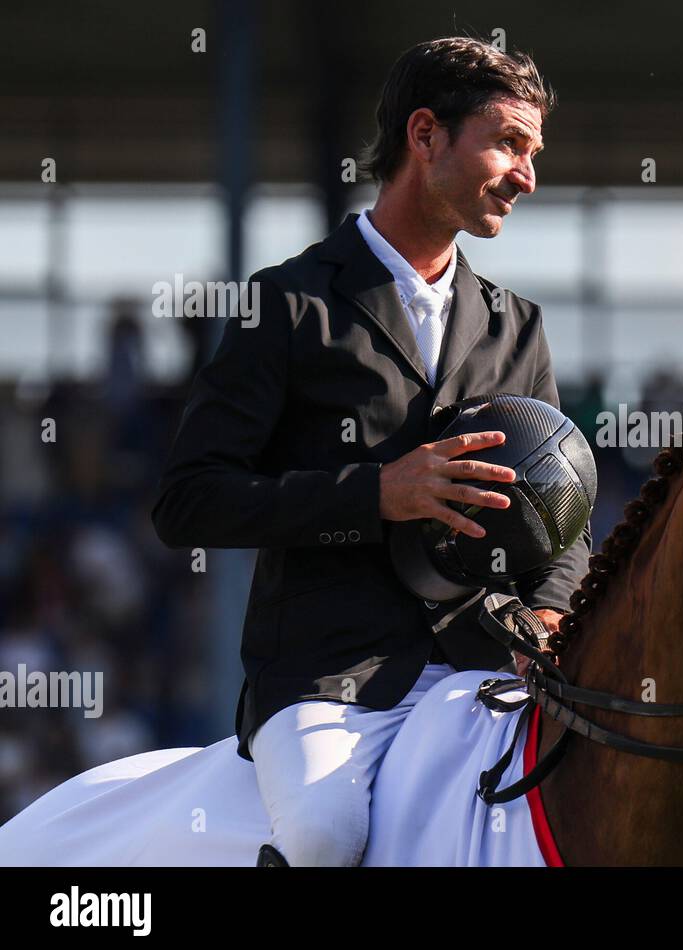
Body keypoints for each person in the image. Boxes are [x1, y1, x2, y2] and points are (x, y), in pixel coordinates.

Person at [150, 37, 588, 866]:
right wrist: (375, 494)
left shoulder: (518, 325)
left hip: (484, 667)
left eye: (534, 153)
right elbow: (187, 500)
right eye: (509, 144)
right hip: (326, 677)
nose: (528, 176)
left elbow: (563, 520)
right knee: (324, 838)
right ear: (425, 136)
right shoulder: (285, 304)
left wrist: (555, 612)